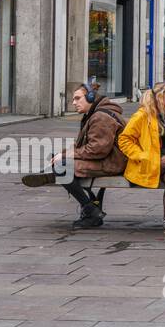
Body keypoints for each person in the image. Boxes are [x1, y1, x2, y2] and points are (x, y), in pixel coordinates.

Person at [24, 83, 127, 228]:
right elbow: (86, 146)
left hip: (111, 162)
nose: (74, 103)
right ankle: (55, 175)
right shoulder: (95, 114)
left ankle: (91, 211)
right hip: (108, 159)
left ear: (90, 97)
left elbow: (97, 149)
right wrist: (64, 154)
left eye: (77, 98)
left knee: (62, 168)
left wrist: (67, 157)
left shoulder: (100, 117)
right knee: (61, 162)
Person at [118, 82, 165, 238]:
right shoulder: (143, 115)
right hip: (148, 163)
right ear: (159, 97)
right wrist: (140, 155)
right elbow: (124, 139)